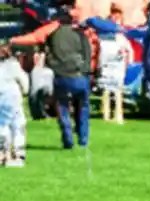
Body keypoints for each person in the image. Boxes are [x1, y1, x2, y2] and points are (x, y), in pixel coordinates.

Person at [45, 5, 93, 149]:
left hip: (61, 77)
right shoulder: (80, 34)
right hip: (79, 76)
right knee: (83, 106)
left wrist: (57, 68)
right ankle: (83, 138)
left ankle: (68, 138)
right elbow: (87, 54)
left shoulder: (53, 35)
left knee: (63, 107)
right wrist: (85, 71)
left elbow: (49, 57)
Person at [87, 5, 129, 123]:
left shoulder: (113, 35)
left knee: (114, 90)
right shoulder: (115, 34)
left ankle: (114, 115)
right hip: (112, 63)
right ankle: (111, 115)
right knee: (110, 89)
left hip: (113, 63)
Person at [0, 44, 29, 167]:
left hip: (4, 96)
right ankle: (18, 154)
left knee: (3, 124)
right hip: (13, 96)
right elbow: (24, 80)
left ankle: (3, 153)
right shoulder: (13, 64)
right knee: (18, 124)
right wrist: (26, 90)